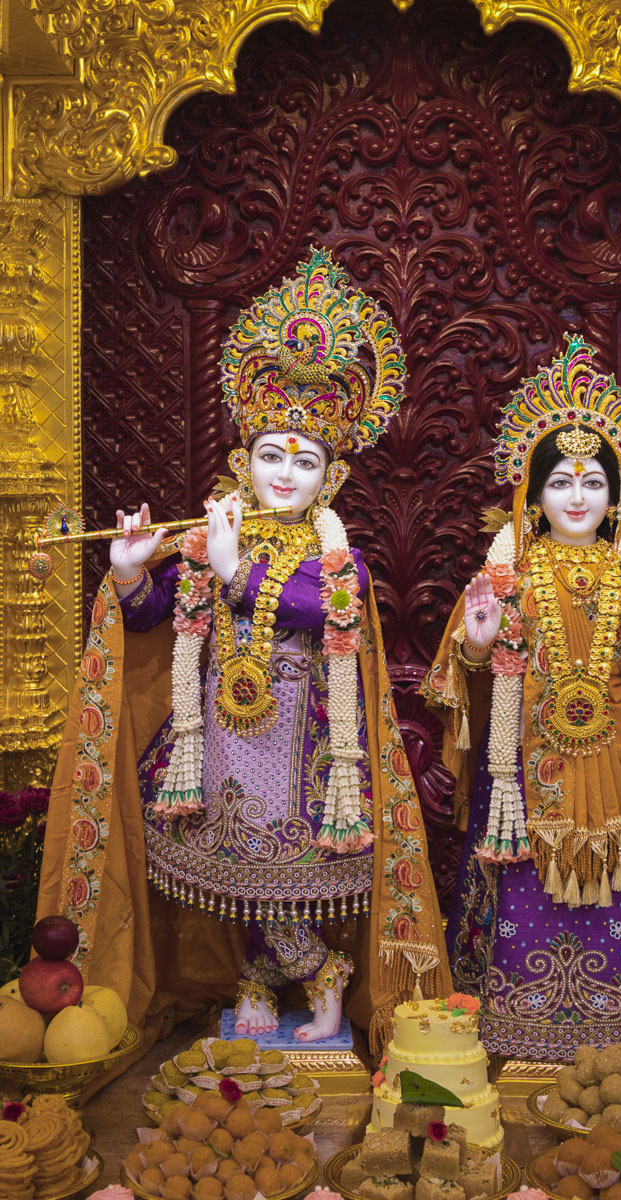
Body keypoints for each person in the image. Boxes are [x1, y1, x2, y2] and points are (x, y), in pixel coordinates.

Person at [36, 249, 450, 1053]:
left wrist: (235, 569)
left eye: (305, 460)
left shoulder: (337, 556)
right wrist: (126, 576)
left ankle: (320, 972)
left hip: (306, 751)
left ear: (329, 479)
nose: (285, 473)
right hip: (218, 744)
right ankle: (262, 976)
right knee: (237, 871)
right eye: (270, 455)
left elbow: (319, 610)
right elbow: (160, 615)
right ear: (242, 463)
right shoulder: (208, 541)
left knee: (286, 870)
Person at [422, 335, 621, 1061]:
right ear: (532, 492)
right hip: (521, 771)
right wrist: (481, 638)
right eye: (560, 482)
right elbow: (463, 674)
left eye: (592, 482)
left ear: (618, 494)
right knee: (523, 897)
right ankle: (518, 1036)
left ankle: (617, 1044)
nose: (577, 497)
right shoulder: (508, 570)